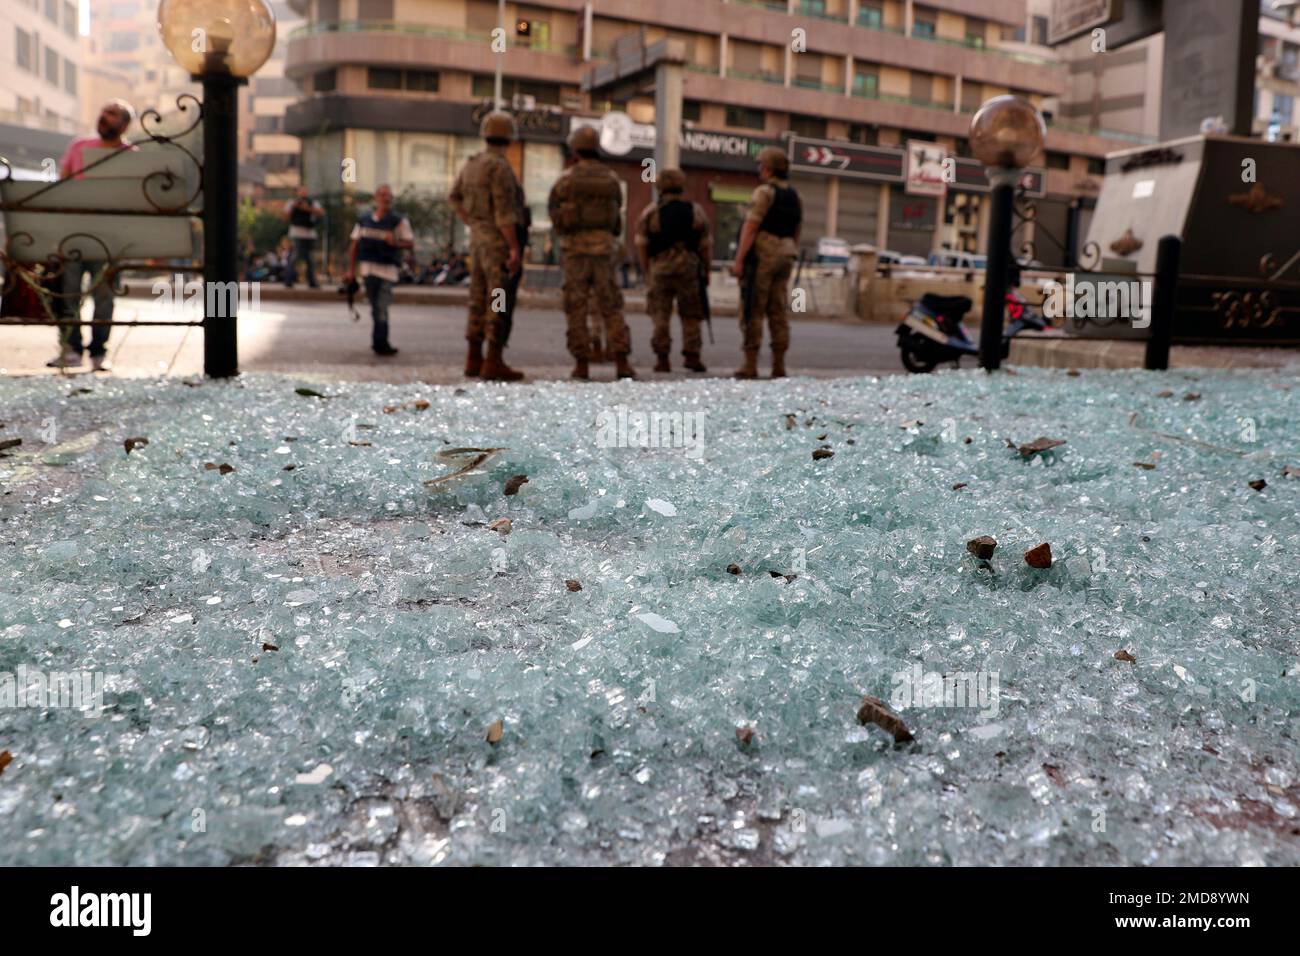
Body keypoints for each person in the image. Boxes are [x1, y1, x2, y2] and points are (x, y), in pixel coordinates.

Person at [47, 100, 137, 372]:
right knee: (68, 293)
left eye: (111, 114)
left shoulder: (132, 154)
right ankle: (71, 348)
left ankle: (99, 351)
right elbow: (60, 186)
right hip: (74, 233)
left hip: (109, 238)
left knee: (105, 297)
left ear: (124, 124)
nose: (103, 116)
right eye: (103, 111)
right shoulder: (78, 146)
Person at [548, 125, 634, 380]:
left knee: (576, 307)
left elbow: (555, 215)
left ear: (574, 150)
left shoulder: (566, 180)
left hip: (574, 251)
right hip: (604, 251)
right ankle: (621, 362)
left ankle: (581, 364)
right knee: (612, 306)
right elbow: (617, 219)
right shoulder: (611, 179)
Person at [449, 110, 526, 381]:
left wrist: (472, 221)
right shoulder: (500, 167)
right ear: (509, 137)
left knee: (477, 298)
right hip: (497, 244)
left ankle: (473, 358)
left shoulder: (472, 164)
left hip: (478, 241)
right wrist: (514, 248)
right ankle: (493, 359)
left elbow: (454, 197)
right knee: (499, 299)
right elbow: (505, 214)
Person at [730, 145, 801, 379]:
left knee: (753, 307)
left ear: (769, 169)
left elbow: (751, 227)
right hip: (786, 254)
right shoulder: (794, 195)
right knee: (778, 310)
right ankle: (778, 365)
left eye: (761, 165)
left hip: (764, 255)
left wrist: (739, 261)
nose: (759, 169)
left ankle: (750, 365)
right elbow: (797, 230)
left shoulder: (763, 192)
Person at [635, 167, 712, 374]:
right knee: (691, 314)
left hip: (660, 268)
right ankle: (692, 356)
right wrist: (707, 269)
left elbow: (642, 243)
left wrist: (646, 270)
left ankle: (662, 359)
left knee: (660, 314)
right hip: (688, 268)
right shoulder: (695, 210)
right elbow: (705, 244)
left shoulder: (651, 211)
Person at [343, 184, 413, 356]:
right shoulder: (364, 220)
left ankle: (381, 343)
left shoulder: (398, 221)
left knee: (382, 306)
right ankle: (378, 340)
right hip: (368, 270)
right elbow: (354, 246)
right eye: (382, 195)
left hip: (388, 270)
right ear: (376, 198)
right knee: (375, 306)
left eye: (388, 195)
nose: (385, 198)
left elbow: (410, 243)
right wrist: (351, 271)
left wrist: (395, 242)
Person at [282, 186, 324, 288]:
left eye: (305, 191)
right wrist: (295, 207)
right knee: (294, 257)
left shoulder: (312, 202)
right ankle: (289, 280)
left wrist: (307, 208)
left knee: (310, 258)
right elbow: (285, 216)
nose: (303, 193)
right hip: (296, 233)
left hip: (309, 234)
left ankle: (312, 282)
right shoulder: (292, 202)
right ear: (297, 192)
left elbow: (321, 213)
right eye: (301, 191)